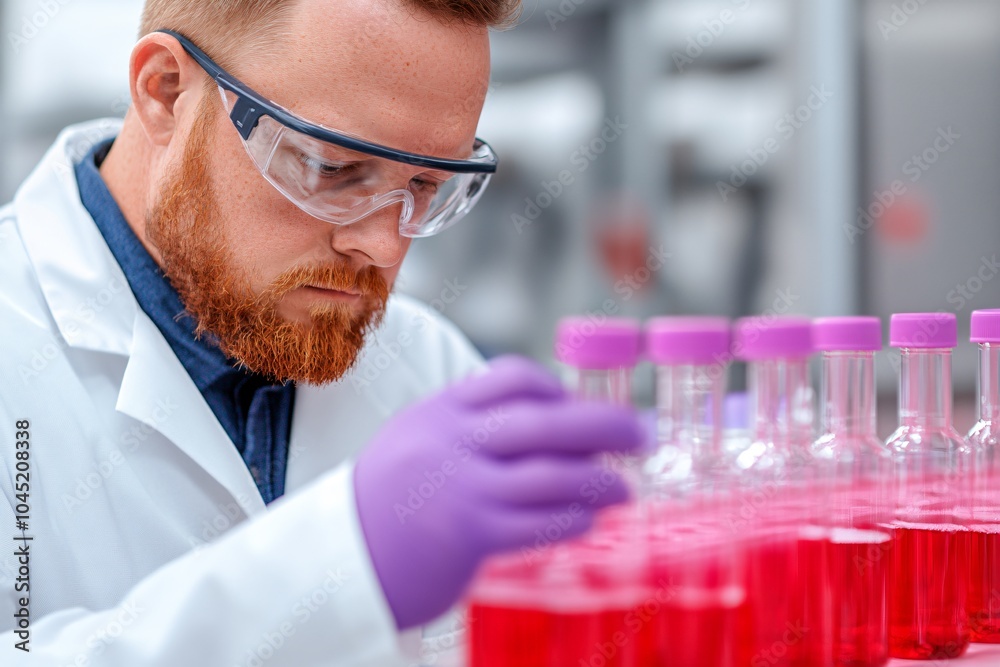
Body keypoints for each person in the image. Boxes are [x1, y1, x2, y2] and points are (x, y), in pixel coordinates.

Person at [0, 0, 644, 664]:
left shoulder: (428, 368)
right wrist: (342, 560)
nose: (383, 248)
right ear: (165, 91)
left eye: (425, 186)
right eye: (329, 168)